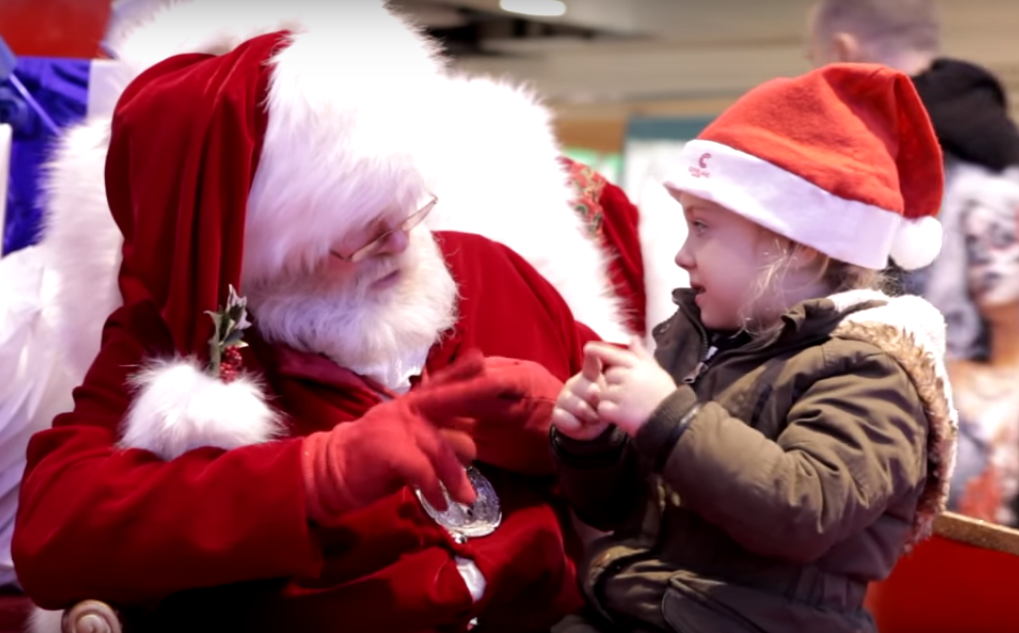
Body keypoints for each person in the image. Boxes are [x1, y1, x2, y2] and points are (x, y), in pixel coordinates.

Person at [8, 2, 636, 631]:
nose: (400, 244)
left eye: (407, 211)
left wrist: (575, 432)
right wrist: (316, 474)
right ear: (264, 251)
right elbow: (55, 536)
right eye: (360, 234)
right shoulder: (185, 336)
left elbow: (653, 473)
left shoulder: (496, 274)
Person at [548, 64, 957, 633]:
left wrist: (668, 418)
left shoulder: (874, 369)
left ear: (798, 249)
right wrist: (592, 443)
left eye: (704, 227)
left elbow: (802, 510)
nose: (682, 256)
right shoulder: (697, 339)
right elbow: (620, 509)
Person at [808, 0, 1019, 525]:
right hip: (979, 451)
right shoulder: (1003, 152)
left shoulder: (878, 165)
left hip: (922, 455)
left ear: (842, 51)